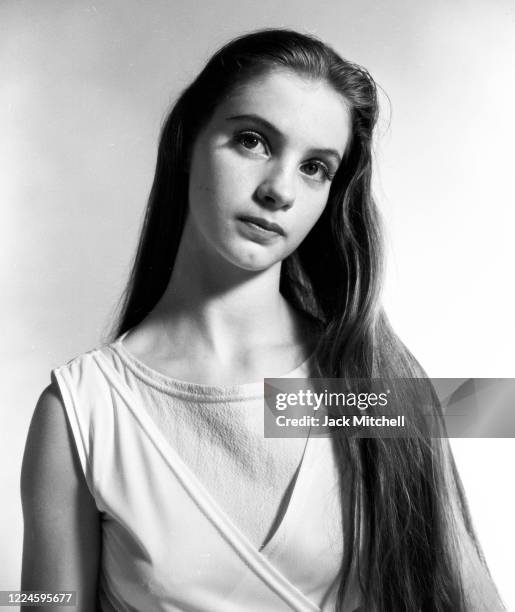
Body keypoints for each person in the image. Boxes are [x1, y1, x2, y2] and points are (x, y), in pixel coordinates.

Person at [20, 28, 504, 612]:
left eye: (316, 168)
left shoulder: (366, 382)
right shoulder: (82, 412)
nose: (279, 190)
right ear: (187, 139)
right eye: (252, 141)